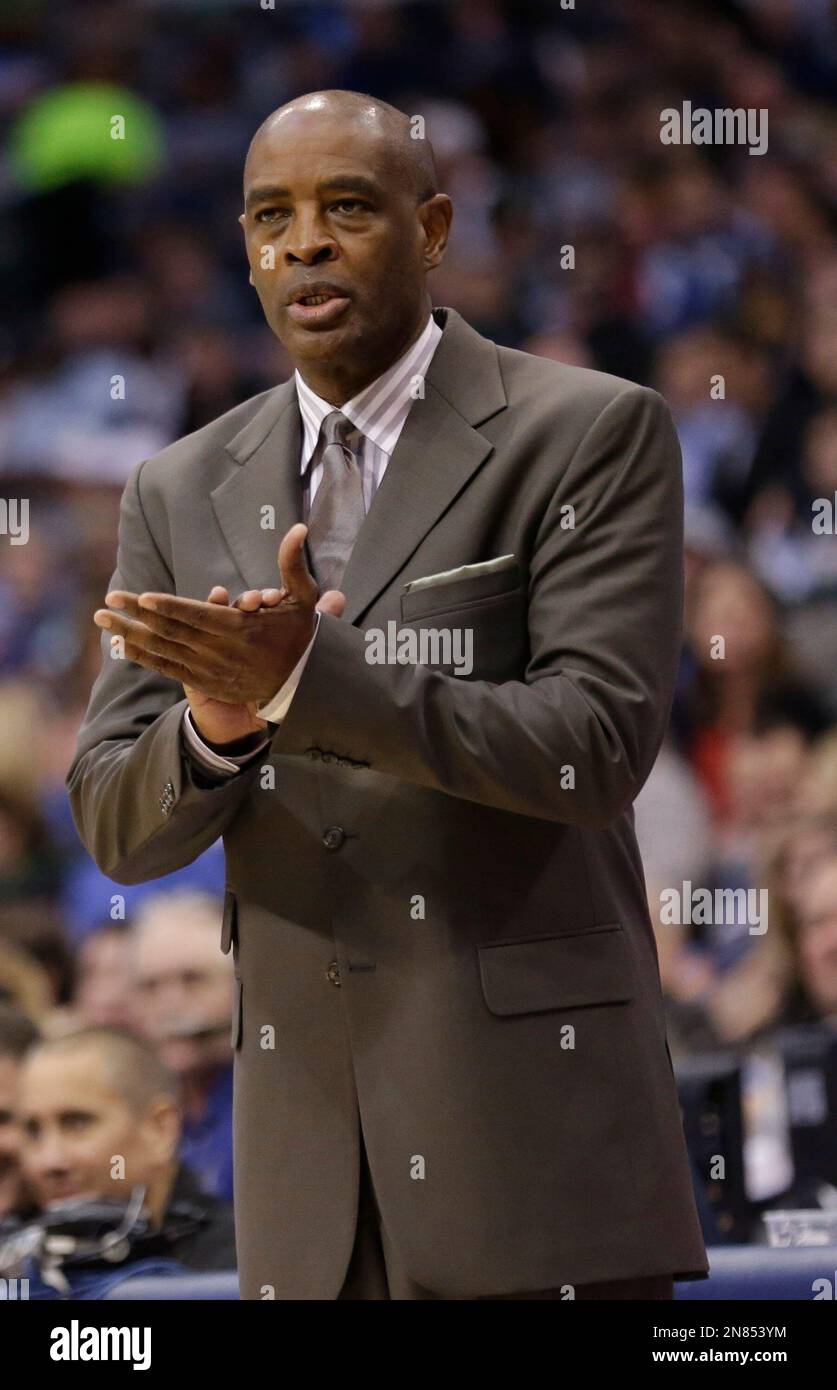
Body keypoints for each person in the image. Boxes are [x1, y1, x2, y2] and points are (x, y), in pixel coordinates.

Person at [68, 89, 708, 1299]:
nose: (302, 241)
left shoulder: (587, 433)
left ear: (433, 228)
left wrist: (310, 678)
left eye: (346, 207)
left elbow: (594, 745)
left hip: (530, 1150)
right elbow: (113, 814)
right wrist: (219, 721)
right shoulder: (176, 485)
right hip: (306, 1173)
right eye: (271, 216)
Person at [11, 1026, 236, 1286]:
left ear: (160, 1129)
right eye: (32, 1131)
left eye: (77, 1123)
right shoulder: (18, 1266)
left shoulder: (243, 1270)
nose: (49, 1162)